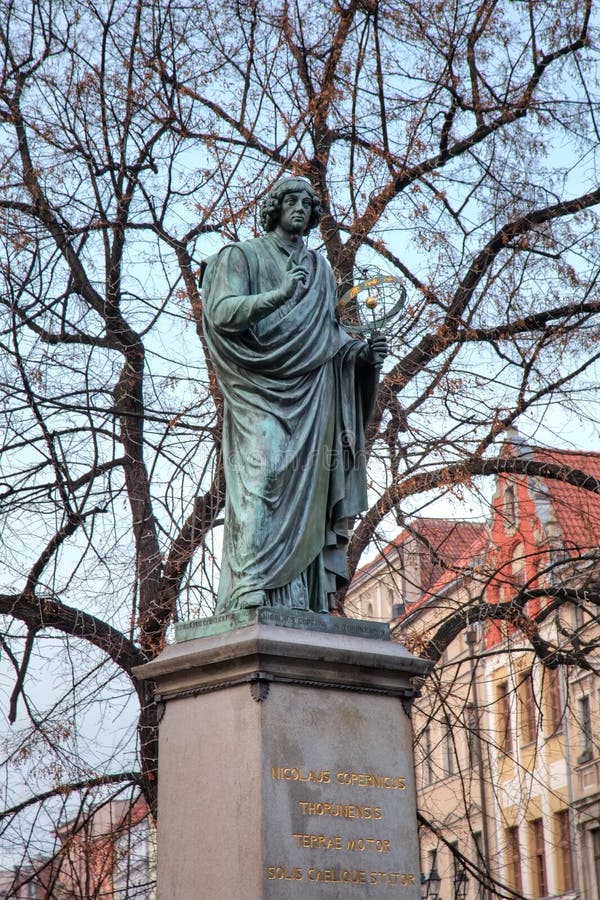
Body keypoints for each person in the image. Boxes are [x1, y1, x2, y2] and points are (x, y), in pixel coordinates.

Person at [202, 177, 386, 614]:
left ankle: (303, 596)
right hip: (258, 387)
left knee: (312, 492)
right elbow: (221, 312)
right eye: (292, 200)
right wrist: (280, 293)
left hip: (312, 394)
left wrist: (362, 357)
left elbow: (330, 340)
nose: (301, 208)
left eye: (308, 202)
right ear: (275, 207)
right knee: (264, 476)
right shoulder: (240, 256)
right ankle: (250, 584)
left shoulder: (320, 270)